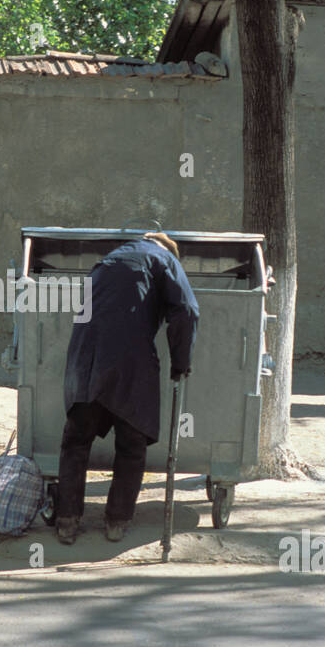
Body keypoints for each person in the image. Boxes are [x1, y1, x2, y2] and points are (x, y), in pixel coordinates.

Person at [56, 231, 199, 544]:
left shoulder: (108, 261)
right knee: (131, 444)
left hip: (86, 359)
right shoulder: (165, 260)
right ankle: (117, 522)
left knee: (77, 440)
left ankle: (66, 520)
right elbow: (187, 310)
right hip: (130, 363)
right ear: (168, 248)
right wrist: (180, 363)